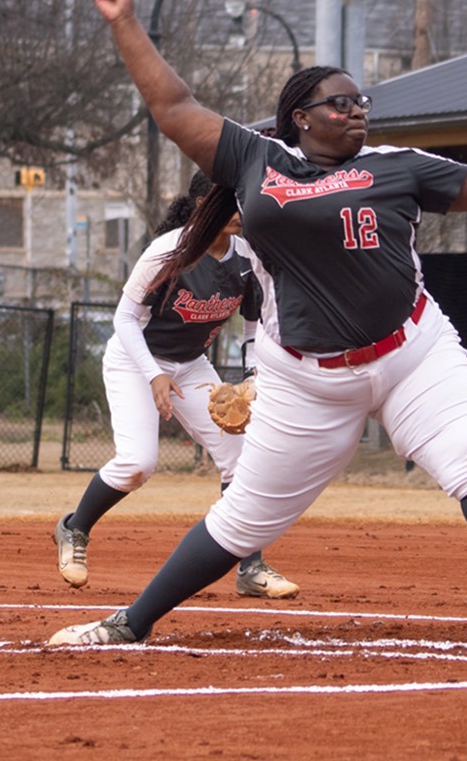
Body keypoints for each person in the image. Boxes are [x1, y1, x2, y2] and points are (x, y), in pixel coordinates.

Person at [48, 0, 467, 659]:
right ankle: (130, 623)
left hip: (413, 353)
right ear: (300, 116)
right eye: (338, 102)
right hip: (307, 382)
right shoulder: (257, 162)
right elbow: (174, 108)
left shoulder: (396, 166)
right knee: (241, 520)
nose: (355, 111)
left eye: (360, 101)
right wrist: (125, 23)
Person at [53, 173, 299, 599]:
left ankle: (251, 568)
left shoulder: (247, 255)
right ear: (205, 204)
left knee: (242, 459)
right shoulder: (168, 251)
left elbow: (254, 327)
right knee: (137, 463)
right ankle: (74, 528)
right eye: (233, 201)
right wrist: (154, 375)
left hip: (190, 365)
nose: (243, 210)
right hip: (135, 361)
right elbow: (125, 320)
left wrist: (253, 374)